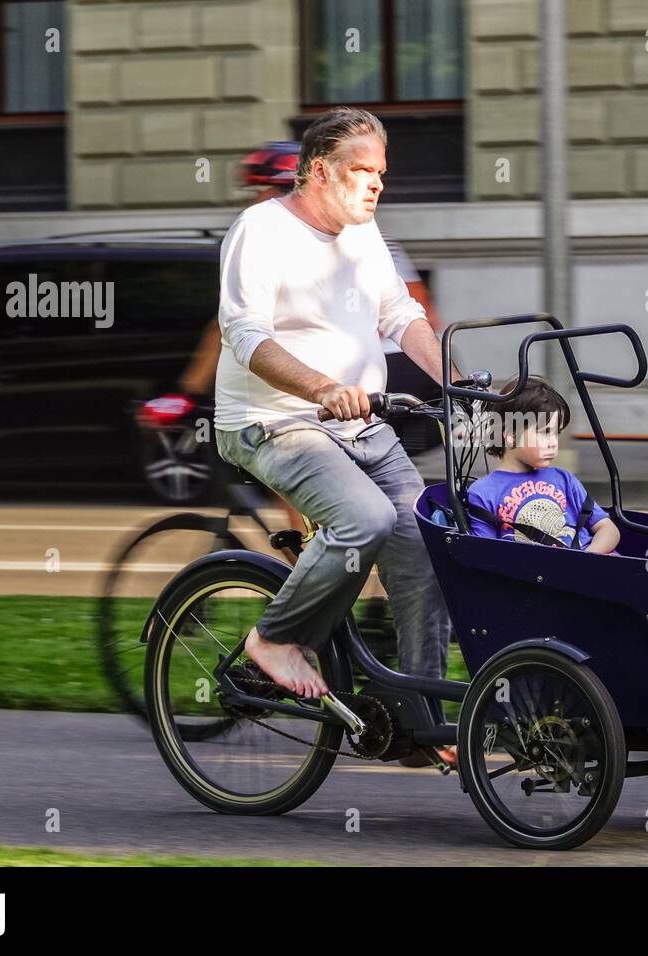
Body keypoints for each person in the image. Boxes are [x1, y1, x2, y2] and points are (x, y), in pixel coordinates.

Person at [211, 107, 461, 722]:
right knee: (365, 518)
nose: (378, 183)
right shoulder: (260, 231)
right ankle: (273, 640)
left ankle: (417, 719)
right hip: (272, 423)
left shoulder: (362, 233)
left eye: (382, 171)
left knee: (425, 544)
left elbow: (400, 316)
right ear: (320, 171)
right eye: (363, 170)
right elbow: (244, 336)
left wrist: (460, 385)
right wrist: (322, 387)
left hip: (360, 425)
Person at [466, 375, 621, 554]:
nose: (554, 442)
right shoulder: (483, 493)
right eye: (545, 432)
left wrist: (586, 560)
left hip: (595, 564)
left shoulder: (564, 480)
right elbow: (486, 555)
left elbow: (608, 529)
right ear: (511, 434)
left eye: (557, 433)